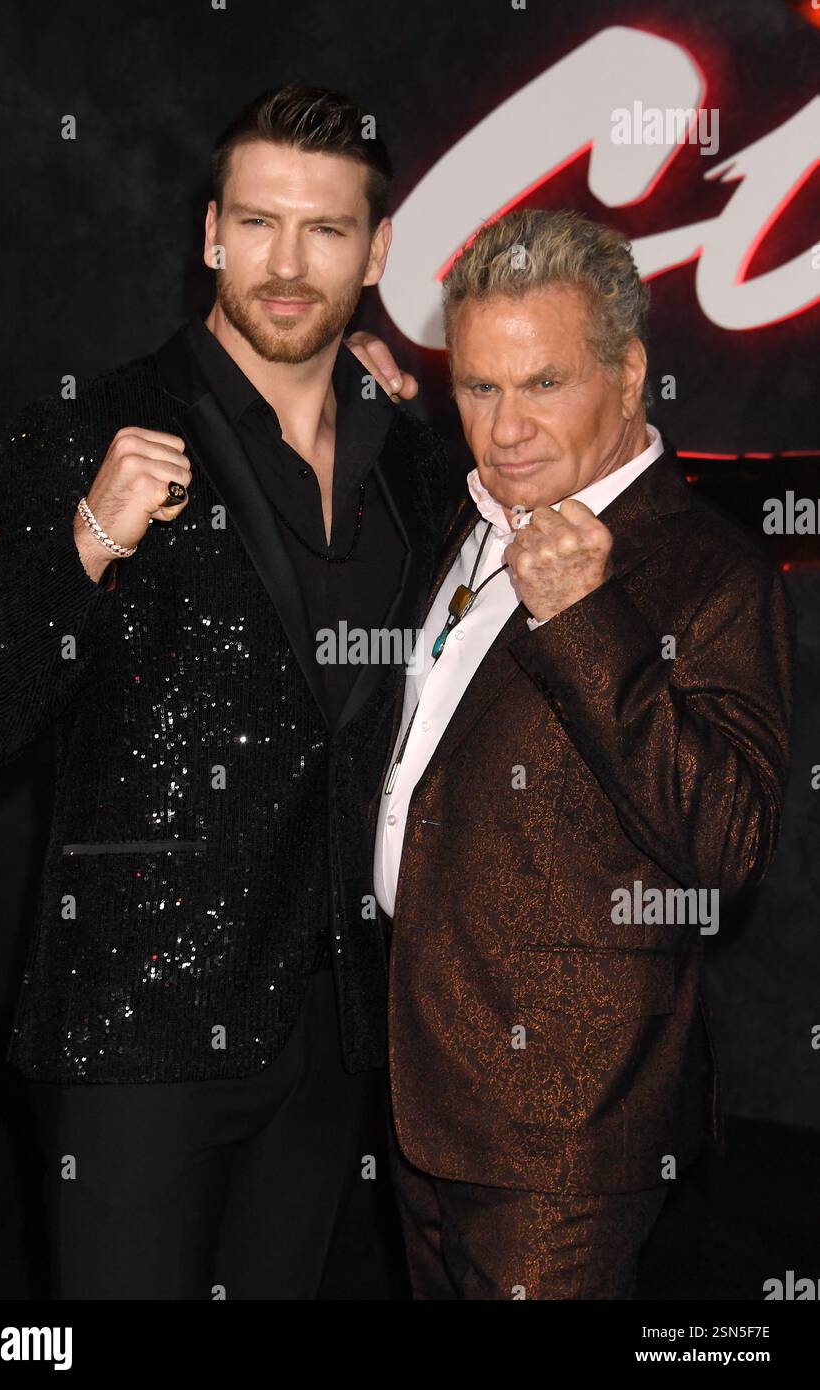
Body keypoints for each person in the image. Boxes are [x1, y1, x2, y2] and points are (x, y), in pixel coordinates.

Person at [0, 83, 451, 1300]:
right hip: (133, 1025)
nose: (284, 262)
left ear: (376, 252)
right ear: (209, 233)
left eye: (323, 231)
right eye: (257, 223)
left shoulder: (420, 467)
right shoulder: (92, 431)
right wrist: (86, 542)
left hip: (331, 1032)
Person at [372, 206, 796, 1299]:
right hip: (416, 1099)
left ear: (627, 374)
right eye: (478, 387)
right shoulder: (464, 520)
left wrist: (583, 620)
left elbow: (728, 845)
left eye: (542, 383)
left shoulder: (706, 573)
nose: (503, 426)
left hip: (564, 1137)